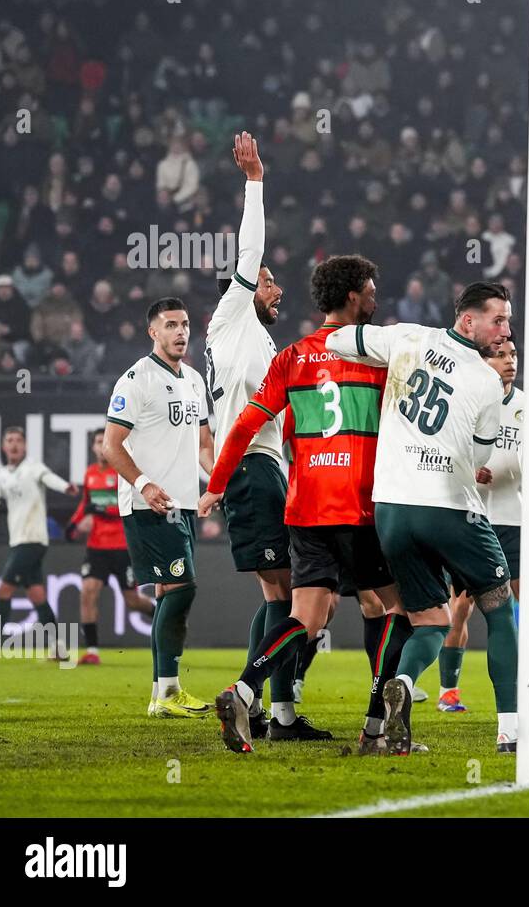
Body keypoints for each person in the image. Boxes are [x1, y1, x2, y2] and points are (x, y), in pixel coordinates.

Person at [200, 255, 415, 755]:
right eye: (370, 287)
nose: (376, 295)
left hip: (305, 508)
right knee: (398, 607)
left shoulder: (291, 357)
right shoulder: (377, 358)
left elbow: (244, 427)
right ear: (353, 297)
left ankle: (244, 690)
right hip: (358, 507)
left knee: (305, 618)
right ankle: (375, 730)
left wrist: (216, 483)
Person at [325, 281, 522, 753]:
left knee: (431, 621)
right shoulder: (486, 381)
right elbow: (478, 459)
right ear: (468, 320)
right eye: (498, 320)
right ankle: (512, 731)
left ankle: (404, 686)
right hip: (448, 508)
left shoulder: (406, 338)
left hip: (391, 511)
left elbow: (335, 339)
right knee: (499, 608)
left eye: (508, 322)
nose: (505, 331)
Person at [204, 132, 325, 741]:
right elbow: (251, 250)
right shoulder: (232, 318)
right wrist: (255, 181)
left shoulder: (257, 344)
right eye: (270, 284)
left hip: (264, 469)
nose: (276, 292)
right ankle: (259, 703)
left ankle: (276, 712)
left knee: (284, 597)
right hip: (249, 471)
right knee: (288, 595)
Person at [424, 338, 529, 715]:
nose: (510, 362)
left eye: (513, 356)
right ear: (483, 361)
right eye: (501, 356)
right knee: (461, 607)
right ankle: (449, 691)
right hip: (473, 518)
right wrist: (468, 470)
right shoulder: (466, 398)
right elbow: (442, 451)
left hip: (515, 519)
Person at [102, 297, 214, 717]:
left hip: (183, 502)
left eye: (184, 324)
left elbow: (204, 444)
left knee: (170, 589)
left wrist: (218, 482)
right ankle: (166, 691)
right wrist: (145, 485)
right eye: (170, 325)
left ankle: (161, 695)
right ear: (153, 332)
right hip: (149, 503)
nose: (181, 332)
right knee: (184, 587)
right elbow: (111, 446)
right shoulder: (136, 380)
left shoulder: (195, 380)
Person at [0, 426, 78, 658]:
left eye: (18, 440)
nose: (14, 444)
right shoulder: (2, 475)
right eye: (9, 440)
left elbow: (48, 478)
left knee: (3, 590)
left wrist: (65, 486)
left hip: (32, 541)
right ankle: (58, 647)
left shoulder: (33, 468)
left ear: (25, 445)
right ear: (3, 447)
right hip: (19, 541)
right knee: (37, 594)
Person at [67, 428, 154, 664]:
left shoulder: (123, 472)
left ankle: (163, 617)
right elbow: (86, 504)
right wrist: (72, 524)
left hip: (122, 546)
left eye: (103, 440)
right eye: (97, 441)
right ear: (94, 447)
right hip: (96, 546)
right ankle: (93, 651)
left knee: (132, 601)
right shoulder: (90, 474)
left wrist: (104, 510)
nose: (100, 445)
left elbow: (129, 504)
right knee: (88, 592)